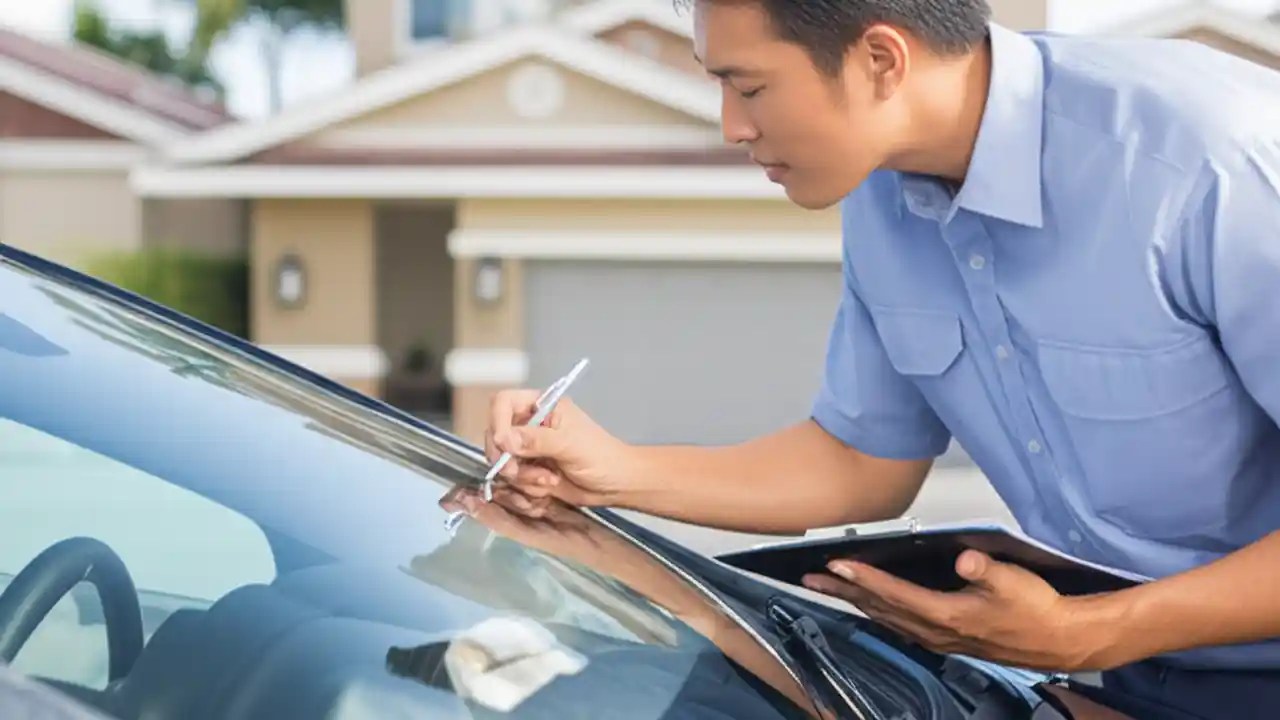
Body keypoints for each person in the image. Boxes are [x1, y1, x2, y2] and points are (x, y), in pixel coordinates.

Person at [476, 1, 1280, 717]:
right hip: (1128, 679)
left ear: (881, 61)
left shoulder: (1210, 163)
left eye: (748, 87)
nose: (731, 126)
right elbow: (864, 461)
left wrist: (1090, 634)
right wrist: (612, 471)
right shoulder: (883, 190)